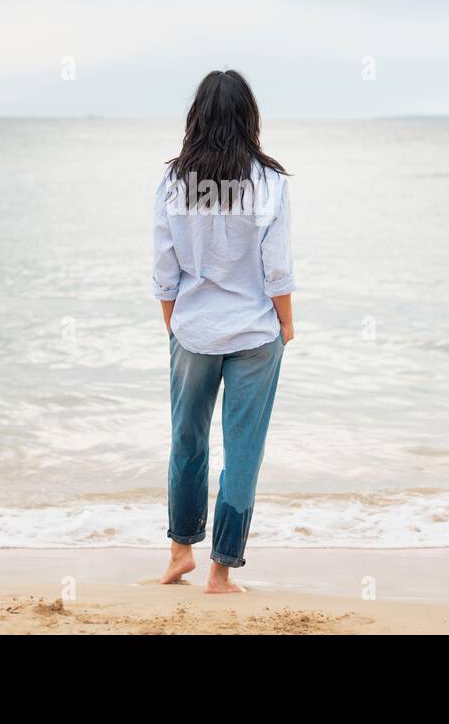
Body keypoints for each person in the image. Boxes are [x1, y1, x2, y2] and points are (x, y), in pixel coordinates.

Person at [151, 69, 295, 593]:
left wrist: (175, 323)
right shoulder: (270, 182)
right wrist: (288, 322)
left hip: (192, 330)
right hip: (255, 333)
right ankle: (220, 572)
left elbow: (164, 270)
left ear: (198, 117)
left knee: (186, 442)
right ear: (248, 118)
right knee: (243, 450)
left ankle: (178, 552)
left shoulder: (173, 181)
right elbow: (276, 267)